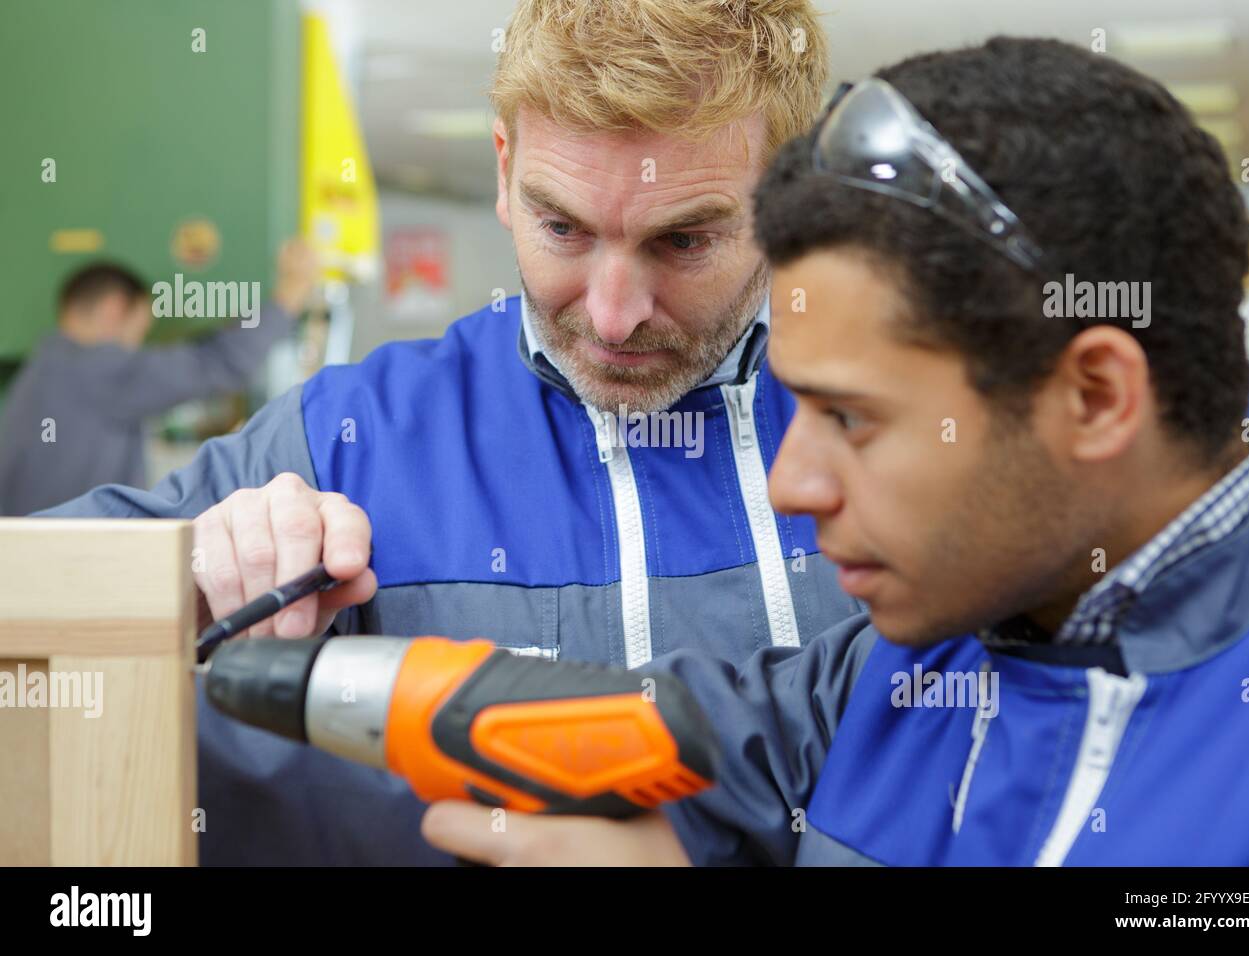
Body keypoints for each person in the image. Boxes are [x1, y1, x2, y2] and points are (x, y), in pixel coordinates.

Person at [420, 37, 1249, 866]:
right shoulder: (913, 662)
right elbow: (627, 729)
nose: (789, 483)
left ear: (1097, 397)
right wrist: (295, 640)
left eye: (850, 419)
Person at [38, 0, 862, 864]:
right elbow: (37, 599)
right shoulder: (350, 439)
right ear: (505, 172)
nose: (614, 317)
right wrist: (182, 573)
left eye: (684, 240)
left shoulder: (894, 436)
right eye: (562, 228)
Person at [0, 240, 313, 514]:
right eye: (140, 329)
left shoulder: (47, 367)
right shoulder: (94, 370)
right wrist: (290, 293)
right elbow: (215, 363)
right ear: (113, 310)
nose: (139, 346)